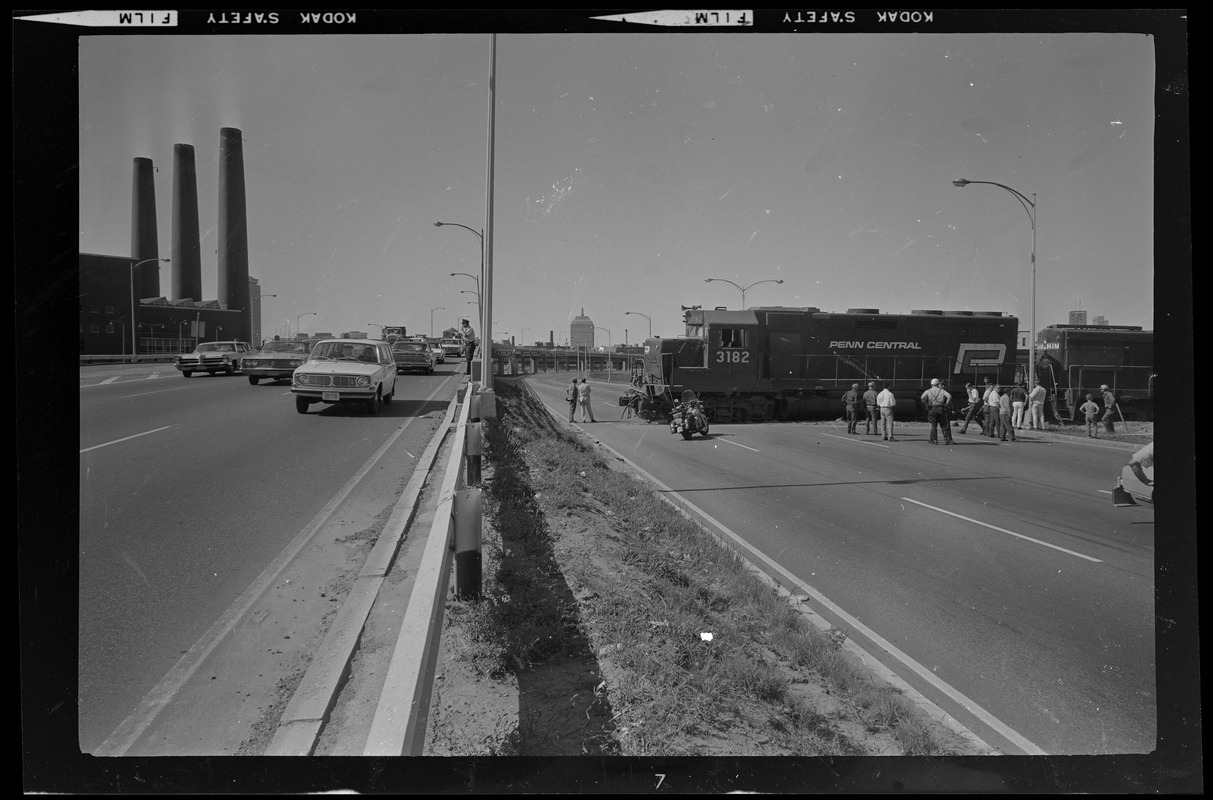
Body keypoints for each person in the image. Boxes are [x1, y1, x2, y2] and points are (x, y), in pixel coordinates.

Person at [920, 378, 953, 445]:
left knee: (934, 425)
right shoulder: (942, 391)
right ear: (938, 384)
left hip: (932, 408)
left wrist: (926, 404)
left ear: (931, 384)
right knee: (943, 425)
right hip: (941, 408)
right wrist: (946, 404)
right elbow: (949, 396)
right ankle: (946, 439)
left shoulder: (928, 391)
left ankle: (934, 440)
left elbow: (922, 397)